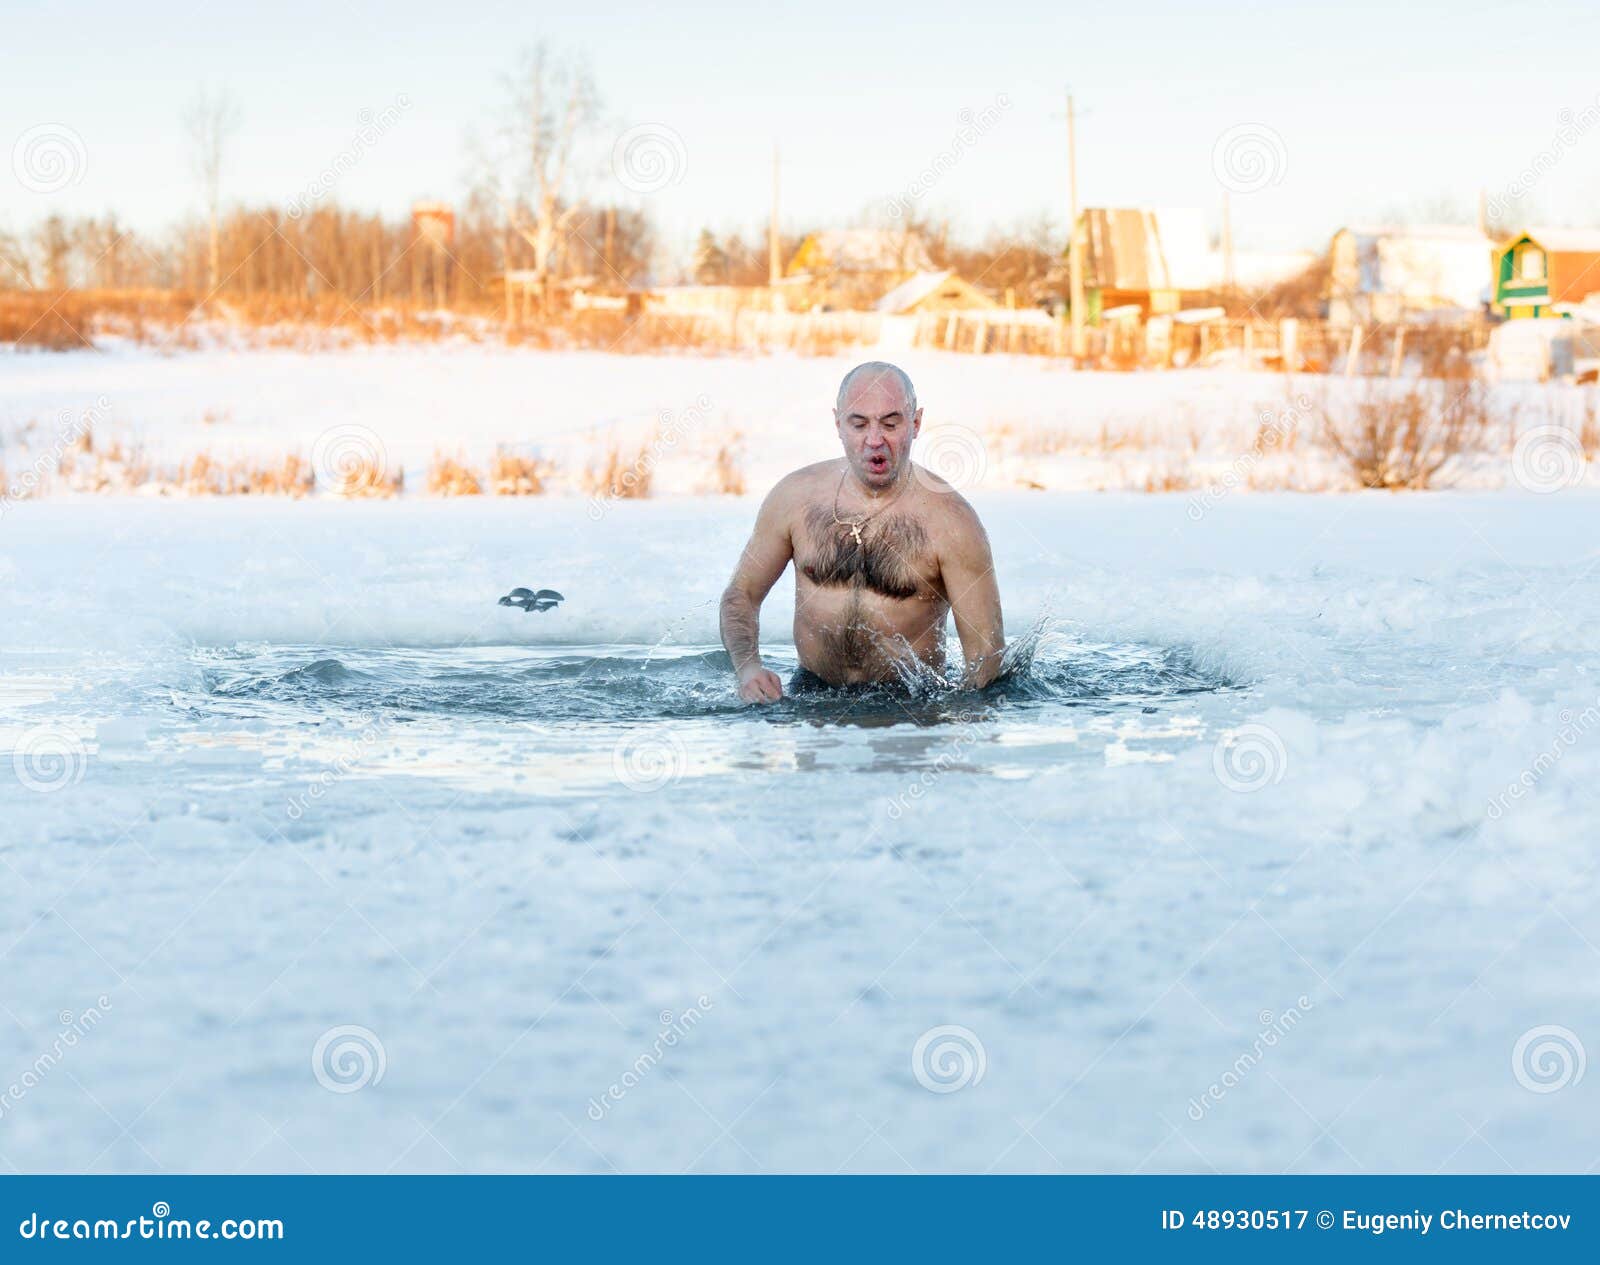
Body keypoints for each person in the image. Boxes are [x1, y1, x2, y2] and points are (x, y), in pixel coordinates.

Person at [719, 361, 1004, 702]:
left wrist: (962, 722)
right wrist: (748, 669)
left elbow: (987, 661)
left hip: (910, 709)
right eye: (858, 423)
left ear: (915, 423)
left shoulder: (952, 523)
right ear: (838, 423)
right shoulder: (794, 499)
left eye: (890, 423)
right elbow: (741, 595)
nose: (874, 440)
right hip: (812, 697)